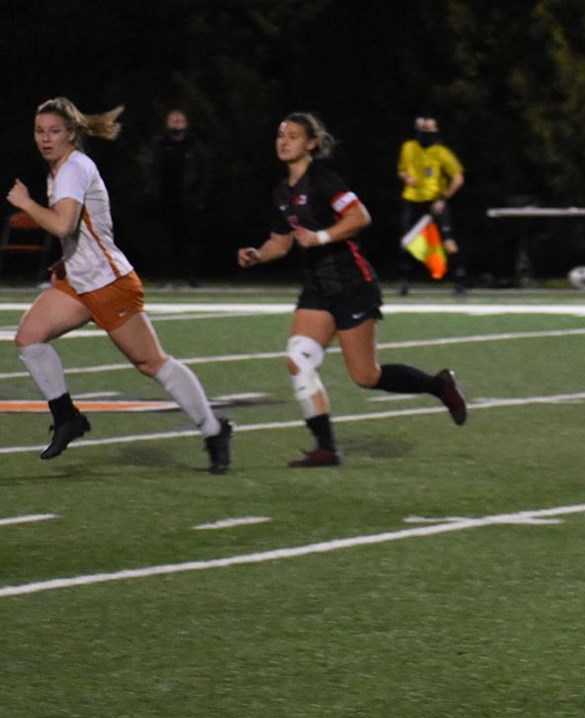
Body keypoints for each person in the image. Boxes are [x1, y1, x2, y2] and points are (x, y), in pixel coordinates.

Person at [7, 97, 232, 473]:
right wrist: (67, 261)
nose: (45, 139)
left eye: (54, 131)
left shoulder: (73, 169)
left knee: (151, 363)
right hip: (80, 282)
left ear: (71, 134)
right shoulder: (60, 169)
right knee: (29, 338)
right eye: (39, 131)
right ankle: (67, 418)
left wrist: (26, 204)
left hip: (109, 283)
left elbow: (62, 225)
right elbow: (83, 229)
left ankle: (214, 430)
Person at [237, 112, 467, 467]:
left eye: (293, 136)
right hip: (317, 287)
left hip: (351, 282)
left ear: (311, 143)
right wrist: (256, 255)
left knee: (366, 375)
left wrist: (321, 237)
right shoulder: (282, 191)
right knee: (298, 361)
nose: (284, 141)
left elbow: (360, 217)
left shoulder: (324, 180)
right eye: (281, 135)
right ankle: (326, 447)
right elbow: (279, 243)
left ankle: (438, 385)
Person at [395, 115, 465, 294]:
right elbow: (402, 170)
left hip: (434, 201)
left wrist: (443, 198)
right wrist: (407, 177)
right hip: (412, 200)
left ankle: (460, 281)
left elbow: (458, 178)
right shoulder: (408, 147)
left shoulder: (441, 152)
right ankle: (404, 282)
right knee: (406, 241)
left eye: (429, 130)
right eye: (422, 130)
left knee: (448, 241)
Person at [142, 109, 211, 287]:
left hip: (189, 201)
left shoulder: (195, 145)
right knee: (166, 241)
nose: (177, 123)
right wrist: (152, 193)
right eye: (173, 119)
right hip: (165, 201)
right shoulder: (159, 144)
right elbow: (151, 171)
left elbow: (204, 173)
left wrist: (200, 197)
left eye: (180, 119)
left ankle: (192, 277)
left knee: (191, 241)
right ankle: (169, 277)